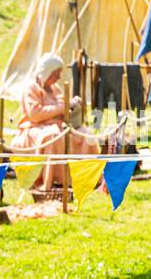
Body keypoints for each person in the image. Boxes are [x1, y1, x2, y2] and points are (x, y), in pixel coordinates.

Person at [8, 52, 98, 191]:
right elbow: (35, 114)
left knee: (86, 135)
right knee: (53, 136)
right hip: (35, 128)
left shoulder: (55, 88)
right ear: (46, 72)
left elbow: (63, 109)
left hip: (58, 126)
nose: (59, 77)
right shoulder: (31, 89)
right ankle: (56, 181)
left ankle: (86, 177)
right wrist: (61, 108)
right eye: (56, 73)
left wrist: (72, 105)